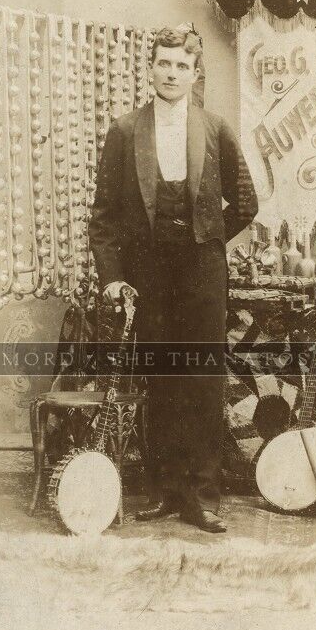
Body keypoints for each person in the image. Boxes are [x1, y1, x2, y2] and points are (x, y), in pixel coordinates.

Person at [89, 27, 258, 532]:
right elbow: (103, 217)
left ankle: (204, 496)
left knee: (203, 379)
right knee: (161, 379)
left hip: (202, 272)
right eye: (163, 64)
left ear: (195, 73)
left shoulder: (215, 127)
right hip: (148, 275)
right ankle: (165, 491)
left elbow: (247, 202)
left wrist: (206, 238)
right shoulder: (124, 131)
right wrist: (114, 279)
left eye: (181, 66)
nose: (171, 73)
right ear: (150, 69)